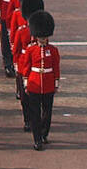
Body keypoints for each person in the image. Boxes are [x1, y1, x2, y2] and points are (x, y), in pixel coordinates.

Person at [18, 11, 60, 150]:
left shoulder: (53, 50)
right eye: (40, 37)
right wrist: (25, 81)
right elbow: (27, 67)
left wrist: (56, 82)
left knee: (47, 113)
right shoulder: (31, 50)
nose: (42, 39)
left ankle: (44, 133)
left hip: (48, 84)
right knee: (35, 113)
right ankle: (37, 139)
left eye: (44, 37)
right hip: (34, 83)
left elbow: (55, 67)